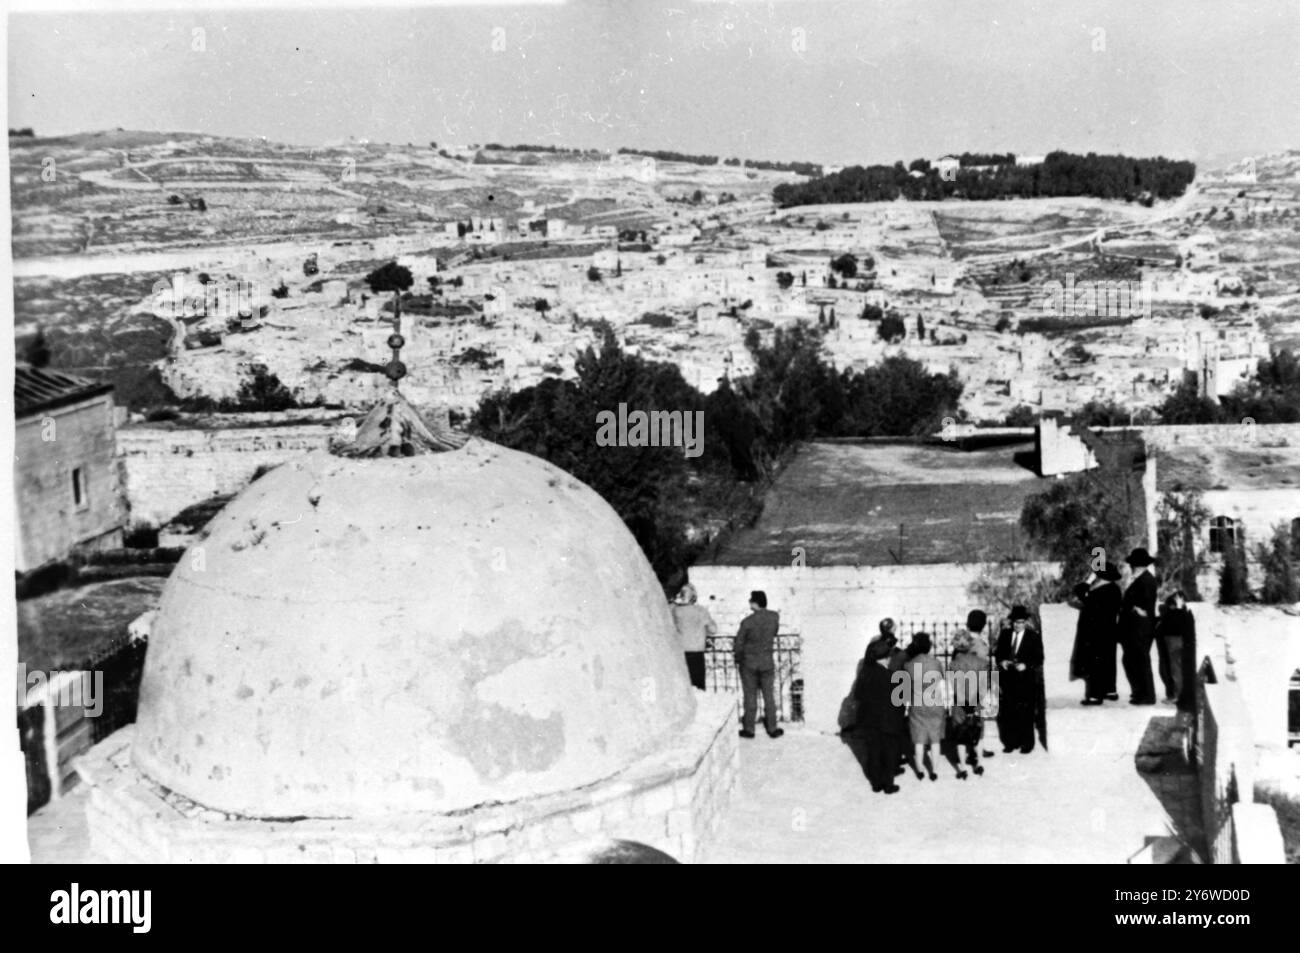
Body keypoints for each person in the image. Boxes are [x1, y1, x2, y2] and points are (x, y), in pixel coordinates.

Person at [904, 633, 961, 780]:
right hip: (935, 704)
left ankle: (920, 771)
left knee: (918, 739)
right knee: (935, 740)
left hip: (918, 704)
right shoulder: (936, 663)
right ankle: (934, 771)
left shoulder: (908, 665)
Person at [853, 638, 903, 794]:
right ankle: (888, 784)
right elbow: (898, 701)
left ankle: (876, 783)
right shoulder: (891, 676)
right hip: (887, 721)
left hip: (869, 720)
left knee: (873, 751)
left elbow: (858, 695)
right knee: (888, 752)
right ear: (887, 658)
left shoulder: (865, 673)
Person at [994, 605, 1044, 754]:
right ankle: (1010, 743)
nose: (1017, 625)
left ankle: (1027, 744)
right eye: (1015, 622)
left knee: (1026, 712)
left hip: (1025, 680)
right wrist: (1002, 662)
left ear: (1025, 622)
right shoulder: (1005, 634)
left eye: (1021, 622)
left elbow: (1039, 658)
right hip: (1008, 679)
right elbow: (998, 655)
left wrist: (1026, 665)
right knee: (1008, 712)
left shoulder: (1033, 636)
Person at [734, 590, 783, 740]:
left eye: (751, 601)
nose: (749, 603)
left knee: (750, 696)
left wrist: (738, 658)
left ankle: (749, 729)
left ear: (755, 603)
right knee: (769, 696)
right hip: (767, 661)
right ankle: (772, 727)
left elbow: (739, 643)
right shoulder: (774, 617)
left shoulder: (747, 622)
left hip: (749, 663)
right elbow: (774, 633)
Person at [1071, 565, 1123, 705]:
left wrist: (1089, 581)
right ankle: (1110, 691)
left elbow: (1080, 591)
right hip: (1110, 630)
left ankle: (1095, 696)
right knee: (1108, 662)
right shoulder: (1115, 590)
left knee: (1095, 664)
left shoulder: (1099, 592)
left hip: (1096, 632)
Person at [1120, 548, 1158, 705]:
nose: (1131, 567)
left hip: (1141, 627)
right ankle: (1139, 692)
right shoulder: (1141, 579)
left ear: (1139, 566)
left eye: (1133, 565)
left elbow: (1147, 604)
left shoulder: (1147, 580)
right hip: (1135, 626)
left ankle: (1147, 695)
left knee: (1140, 660)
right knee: (1131, 660)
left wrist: (1137, 609)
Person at [947, 628, 987, 776]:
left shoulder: (953, 664)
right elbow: (984, 686)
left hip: (961, 704)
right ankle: (979, 763)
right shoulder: (981, 662)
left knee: (961, 735)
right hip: (977, 702)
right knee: (979, 733)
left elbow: (954, 687)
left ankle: (962, 768)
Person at [964, 610, 998, 760]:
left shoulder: (962, 641)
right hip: (978, 683)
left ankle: (967, 748)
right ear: (983, 625)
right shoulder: (980, 644)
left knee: (966, 717)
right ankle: (977, 748)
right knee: (979, 718)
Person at [670, 584, 717, 691]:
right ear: (694, 597)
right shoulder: (701, 611)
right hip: (696, 652)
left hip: (680, 652)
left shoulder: (675, 611)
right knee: (698, 685)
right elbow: (713, 630)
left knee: (682, 687)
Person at [1156, 591, 1197, 710]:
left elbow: (1180, 624)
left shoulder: (1183, 612)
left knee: (1175, 669)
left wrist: (1179, 607)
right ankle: (1175, 694)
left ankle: (1178, 696)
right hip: (1171, 640)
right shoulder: (1174, 611)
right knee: (1172, 668)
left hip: (1175, 641)